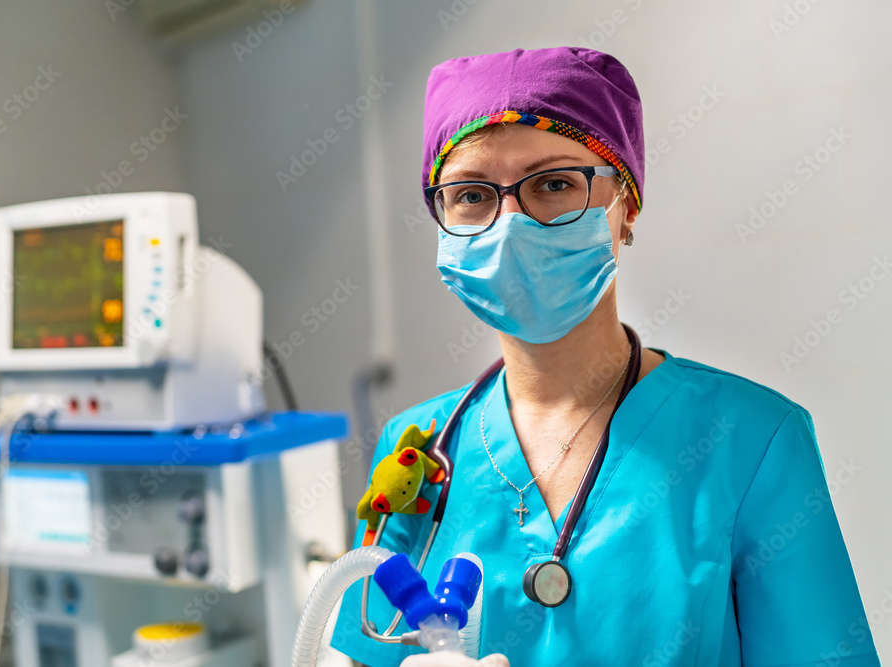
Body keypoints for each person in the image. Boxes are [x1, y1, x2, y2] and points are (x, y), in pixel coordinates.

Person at [329, 47, 880, 666]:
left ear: (627, 206)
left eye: (554, 184)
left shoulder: (753, 439)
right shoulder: (417, 451)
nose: (510, 224)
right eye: (472, 194)